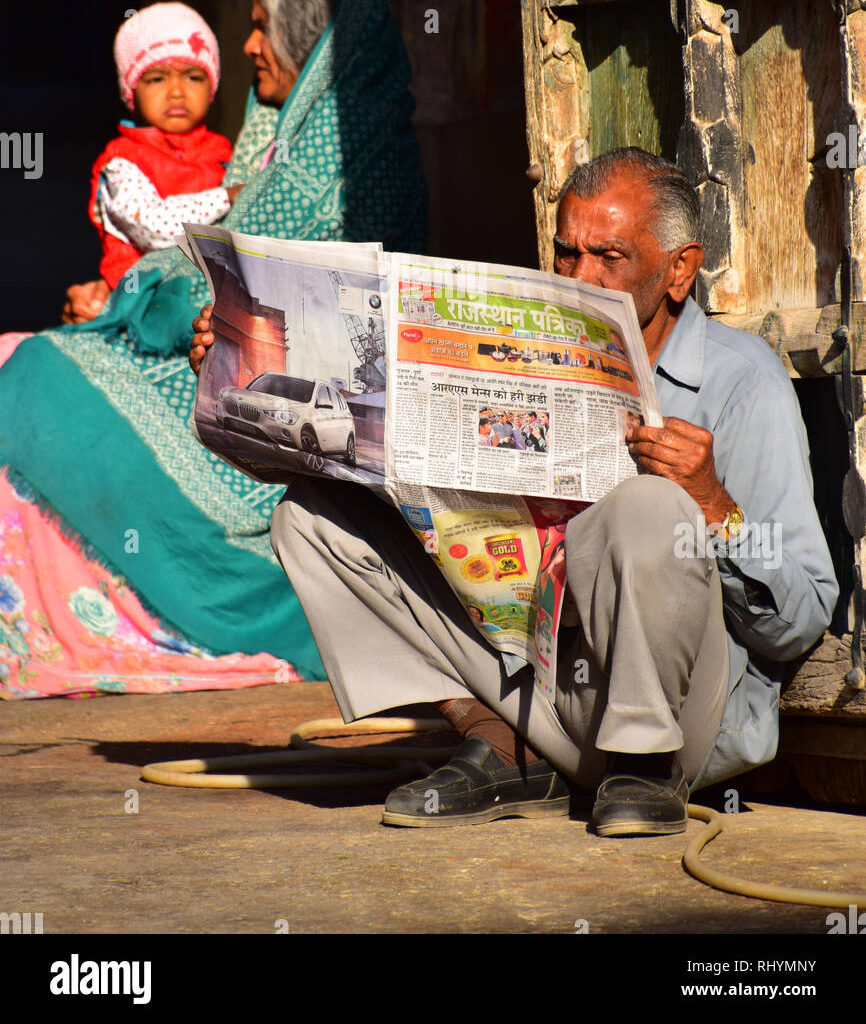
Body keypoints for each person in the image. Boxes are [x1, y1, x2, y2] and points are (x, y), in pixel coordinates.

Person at [240, 147, 837, 834]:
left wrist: (714, 506)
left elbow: (802, 618)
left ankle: (641, 768)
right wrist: (236, 377)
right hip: (535, 681)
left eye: (608, 257)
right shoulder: (514, 350)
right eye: (565, 253)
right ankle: (502, 742)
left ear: (679, 269)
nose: (580, 277)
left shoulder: (742, 381)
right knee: (311, 521)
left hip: (674, 719)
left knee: (651, 505)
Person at [0, 0, 427, 698]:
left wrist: (150, 301)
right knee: (26, 358)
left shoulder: (342, 169)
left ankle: (96, 621)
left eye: (263, 27)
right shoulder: (272, 148)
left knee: (33, 377)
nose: (249, 45)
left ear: (310, 37)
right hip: (210, 363)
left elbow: (273, 323)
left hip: (279, 426)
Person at [89, 3, 239, 289]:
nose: (177, 92)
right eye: (157, 78)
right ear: (131, 91)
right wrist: (225, 198)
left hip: (205, 287)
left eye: (193, 77)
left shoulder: (223, 153)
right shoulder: (122, 161)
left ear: (212, 86)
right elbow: (153, 227)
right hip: (145, 294)